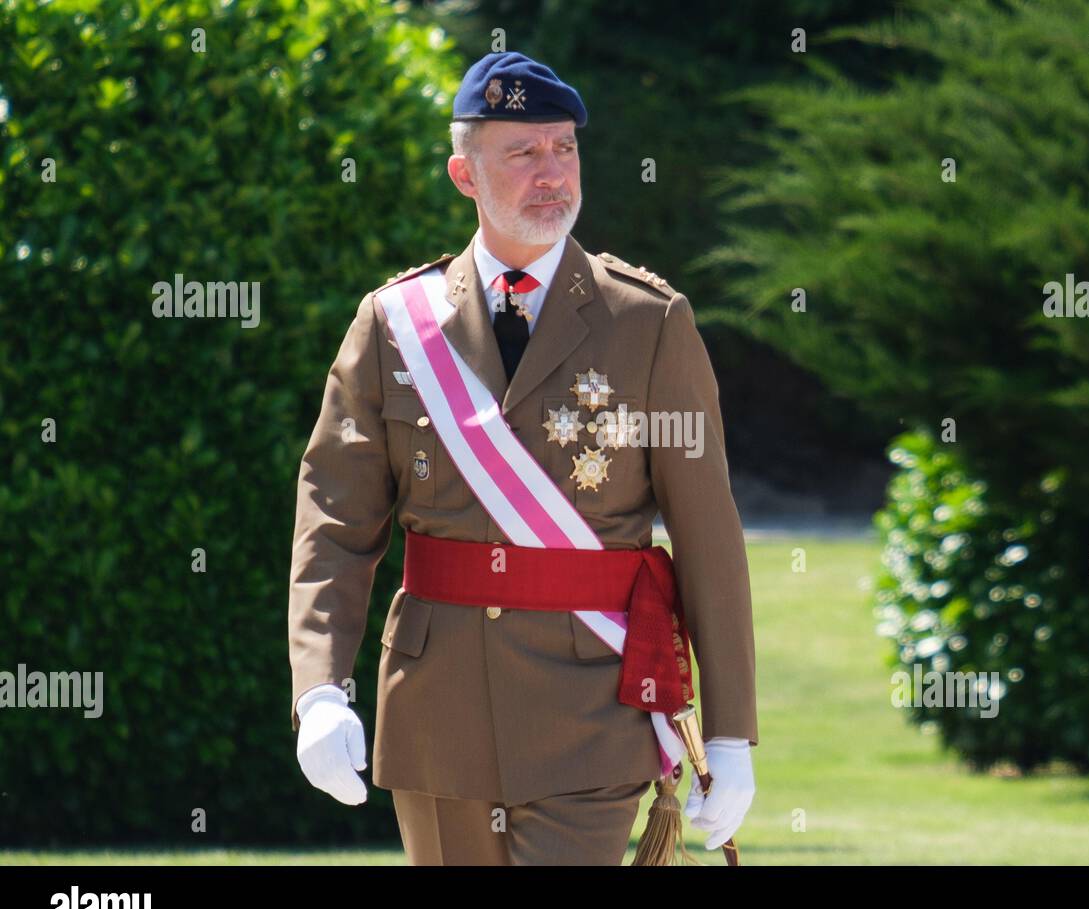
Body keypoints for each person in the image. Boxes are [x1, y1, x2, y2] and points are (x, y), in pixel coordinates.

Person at [288, 50, 758, 865]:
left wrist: (731, 735)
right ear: (464, 173)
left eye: (565, 148)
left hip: (592, 714)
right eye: (524, 153)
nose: (553, 174)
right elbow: (335, 517)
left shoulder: (648, 322)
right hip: (437, 714)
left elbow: (709, 540)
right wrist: (321, 686)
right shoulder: (395, 323)